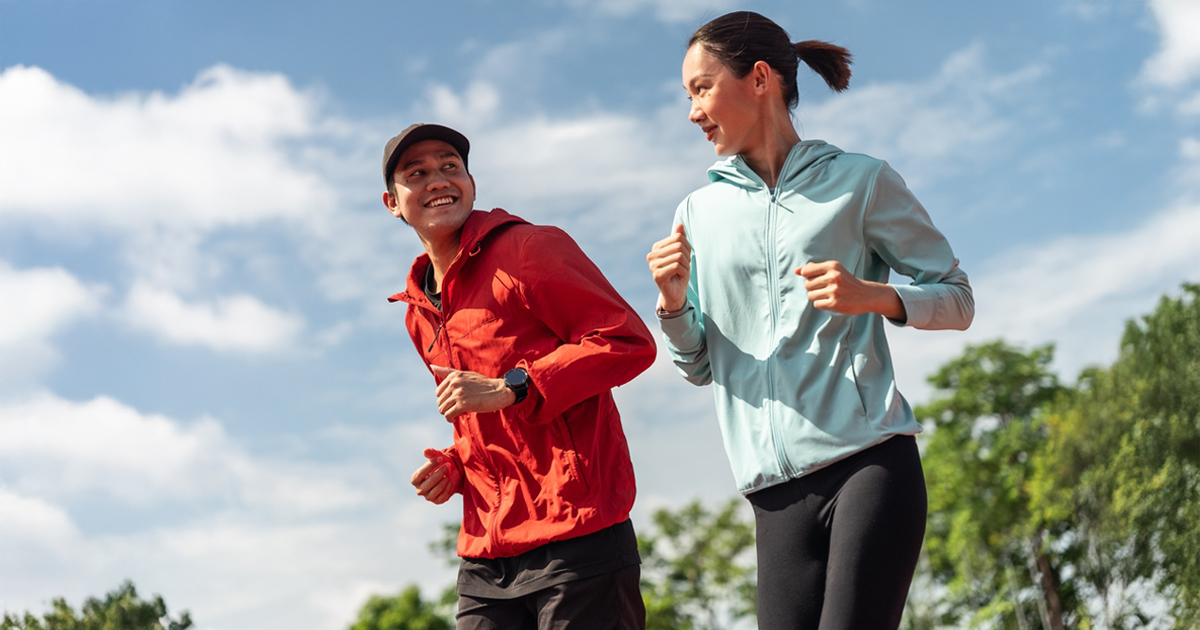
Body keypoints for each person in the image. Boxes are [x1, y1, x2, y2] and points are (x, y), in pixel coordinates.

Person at [646, 11, 974, 630]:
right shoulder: (697, 213)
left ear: (760, 78)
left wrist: (874, 296)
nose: (693, 112)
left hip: (868, 463)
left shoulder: (861, 182)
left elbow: (957, 298)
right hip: (773, 494)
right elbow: (698, 367)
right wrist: (672, 304)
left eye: (702, 88)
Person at [383, 123, 655, 629]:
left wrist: (514, 387)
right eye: (416, 174)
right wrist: (456, 465)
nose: (438, 180)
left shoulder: (529, 248)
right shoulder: (417, 309)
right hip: (486, 551)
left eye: (449, 166)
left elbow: (626, 342)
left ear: (470, 181)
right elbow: (480, 418)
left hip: (578, 537)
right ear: (393, 203)